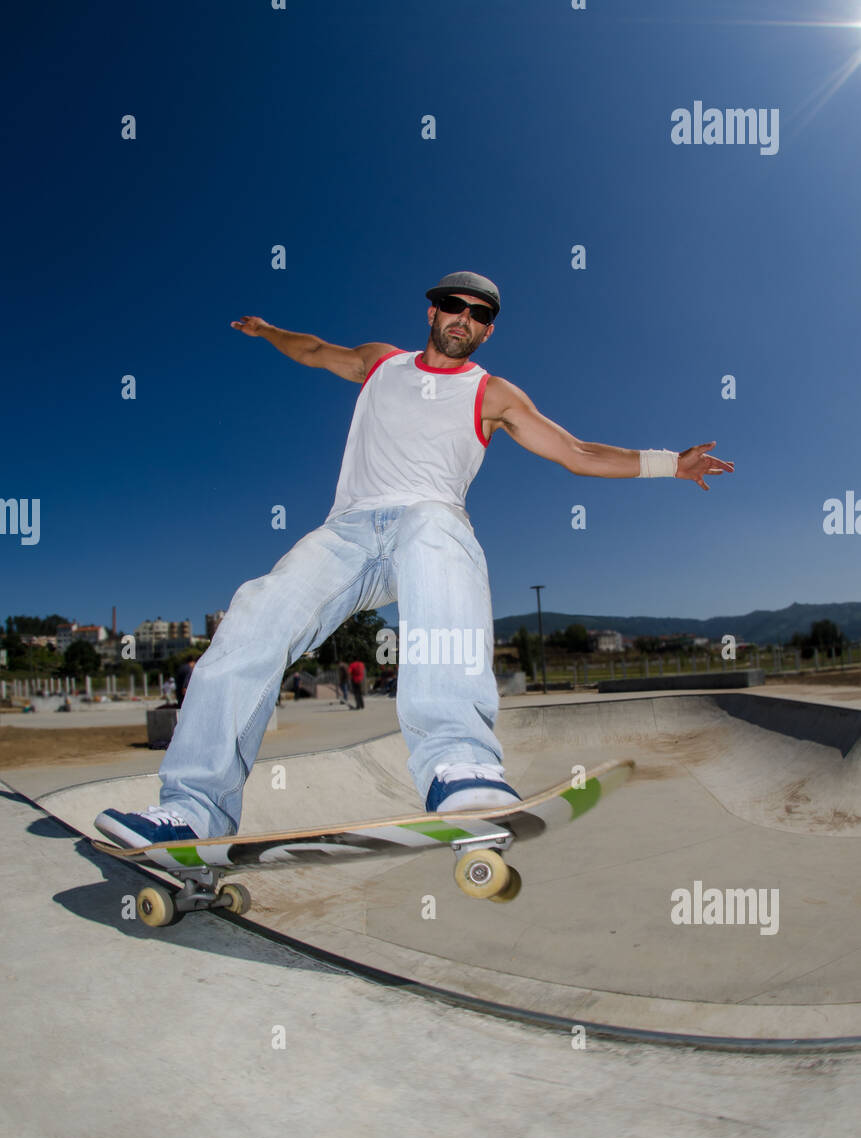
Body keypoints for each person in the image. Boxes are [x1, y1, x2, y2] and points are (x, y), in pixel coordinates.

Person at [95, 270, 732, 849]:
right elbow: (316, 351)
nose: (465, 320)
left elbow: (575, 451)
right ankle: (193, 808)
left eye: (481, 315)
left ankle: (462, 766)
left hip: (428, 532)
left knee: (434, 524)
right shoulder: (381, 364)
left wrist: (669, 464)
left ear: (487, 330)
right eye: (454, 307)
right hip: (347, 533)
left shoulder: (493, 394)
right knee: (255, 615)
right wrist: (268, 332)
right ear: (431, 312)